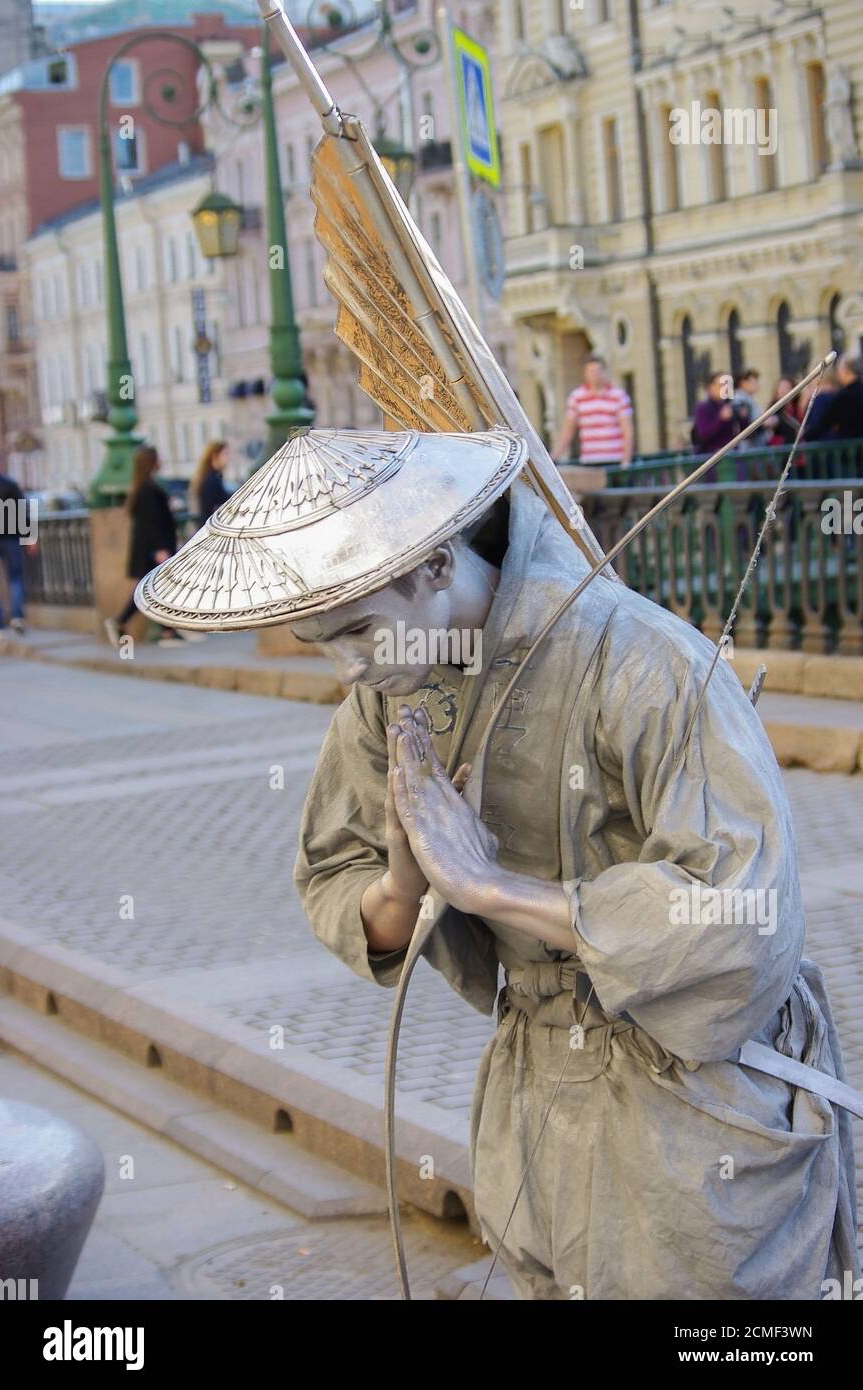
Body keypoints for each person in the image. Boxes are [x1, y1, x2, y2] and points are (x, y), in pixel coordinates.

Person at [135, 426, 859, 1301]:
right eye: (318, 640)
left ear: (436, 564)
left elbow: (744, 912)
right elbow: (333, 874)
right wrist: (408, 881)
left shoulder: (645, 662)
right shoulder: (384, 698)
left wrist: (490, 888)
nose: (347, 666)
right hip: (536, 1085)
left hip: (691, 1100)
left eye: (360, 629)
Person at [104, 446, 188, 650]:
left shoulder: (144, 486)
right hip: (153, 549)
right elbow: (152, 522)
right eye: (158, 458)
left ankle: (166, 630)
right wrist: (160, 548)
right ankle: (124, 622)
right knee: (151, 590)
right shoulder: (147, 489)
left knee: (153, 589)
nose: (161, 460)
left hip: (149, 548)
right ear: (150, 462)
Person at [551, 353, 634, 467]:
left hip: (615, 459)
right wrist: (554, 457)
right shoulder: (577, 397)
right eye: (591, 371)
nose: (595, 375)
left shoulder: (619, 395)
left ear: (604, 372)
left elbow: (627, 430)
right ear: (585, 374)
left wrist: (626, 461)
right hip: (590, 460)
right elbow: (568, 430)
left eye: (598, 371)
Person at [0, 446, 31, 638]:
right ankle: (17, 617)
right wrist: (30, 538)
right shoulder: (9, 484)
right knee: (15, 577)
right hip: (9, 536)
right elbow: (23, 512)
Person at [808, 353, 863, 441]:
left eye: (839, 370)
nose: (838, 375)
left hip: (848, 448)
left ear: (846, 370)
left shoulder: (844, 396)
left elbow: (824, 423)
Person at [191, 440, 230, 526]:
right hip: (212, 526)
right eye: (225, 454)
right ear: (215, 456)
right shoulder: (210, 479)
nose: (227, 458)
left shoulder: (213, 476)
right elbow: (213, 505)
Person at [732, 367, 766, 449]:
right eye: (753, 381)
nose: (757, 384)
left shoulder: (748, 398)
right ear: (743, 383)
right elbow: (745, 425)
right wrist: (765, 423)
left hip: (755, 444)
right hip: (747, 446)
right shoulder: (739, 400)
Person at [764, 376, 802, 446]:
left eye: (787, 387)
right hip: (780, 449)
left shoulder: (797, 407)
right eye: (781, 387)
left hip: (796, 447)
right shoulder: (773, 408)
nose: (783, 390)